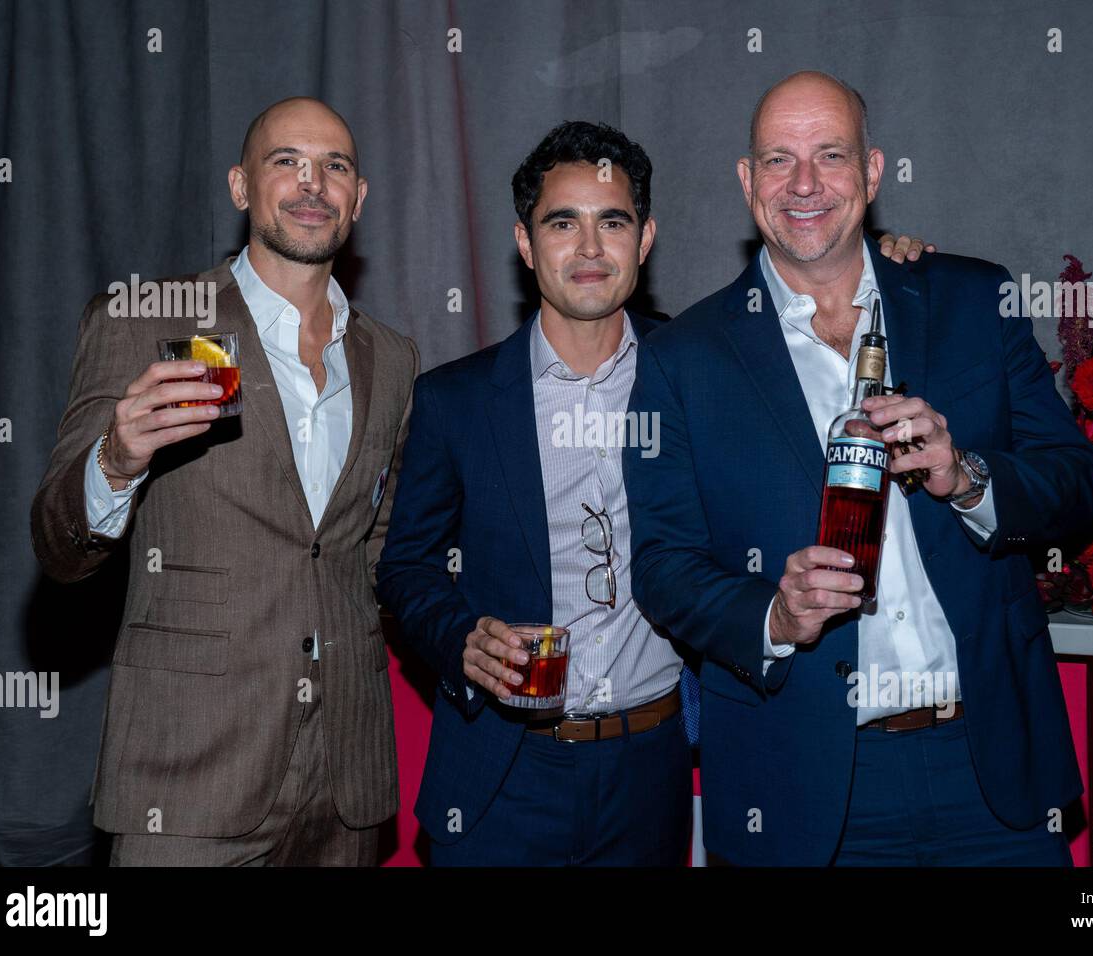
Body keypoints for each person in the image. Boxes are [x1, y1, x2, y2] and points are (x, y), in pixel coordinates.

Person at [377, 119, 932, 866]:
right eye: (561, 223)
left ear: (644, 241)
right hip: (500, 772)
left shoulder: (707, 367)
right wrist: (460, 640)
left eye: (613, 222)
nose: (588, 248)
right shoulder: (456, 401)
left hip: (653, 768)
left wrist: (888, 264)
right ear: (523, 243)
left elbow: (832, 301)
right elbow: (405, 568)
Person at [623, 71, 1093, 866]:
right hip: (807, 792)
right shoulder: (685, 359)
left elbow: (1078, 485)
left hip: (992, 775)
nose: (804, 183)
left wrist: (968, 479)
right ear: (747, 182)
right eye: (778, 160)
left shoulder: (973, 301)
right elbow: (664, 565)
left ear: (874, 172)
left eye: (830, 155)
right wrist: (773, 615)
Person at [30, 97, 418, 866]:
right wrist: (115, 459)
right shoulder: (147, 321)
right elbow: (57, 545)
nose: (313, 184)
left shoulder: (393, 359)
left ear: (360, 197)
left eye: (334, 167)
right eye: (287, 163)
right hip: (187, 773)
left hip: (345, 779)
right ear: (241, 188)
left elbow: (374, 551)